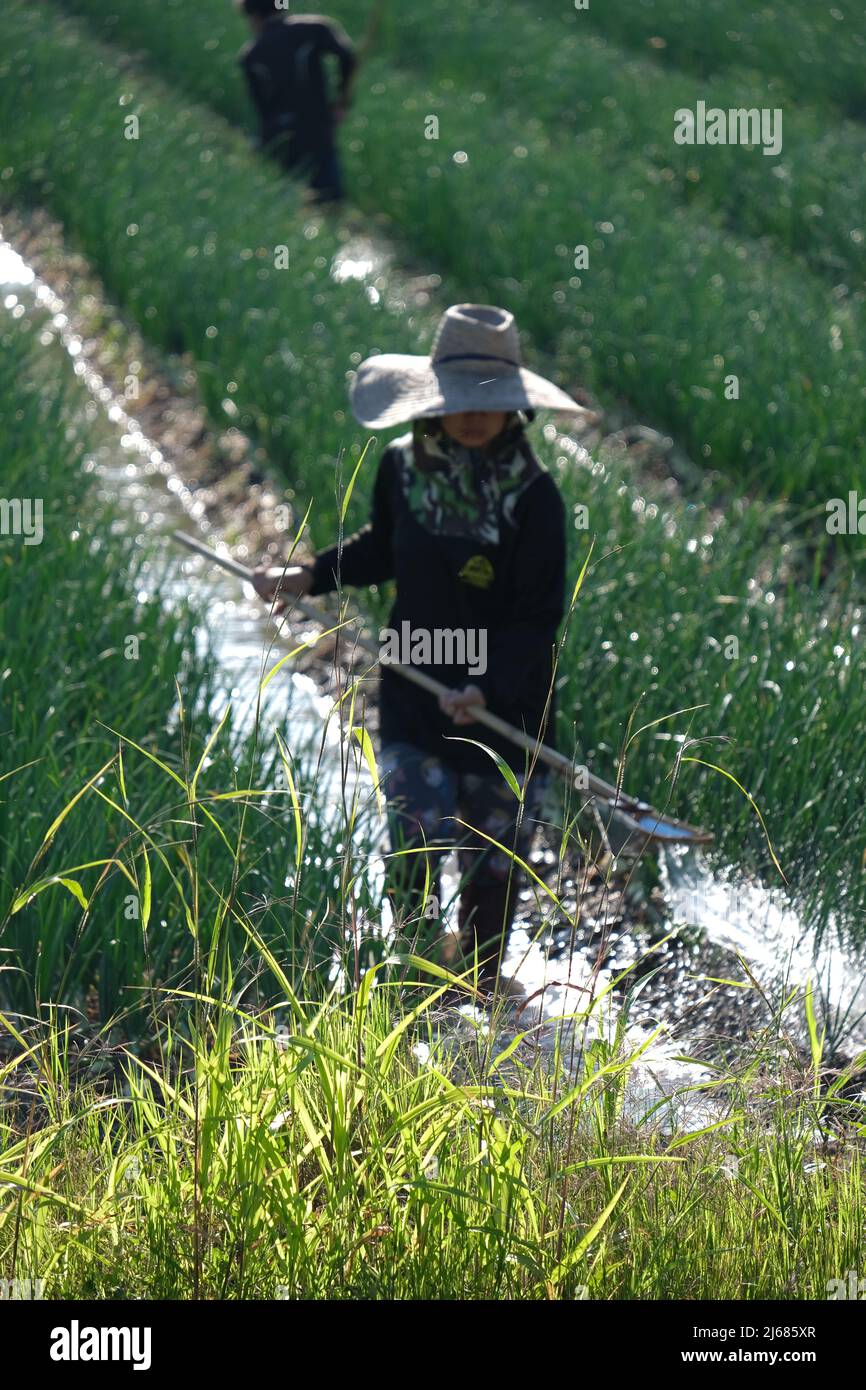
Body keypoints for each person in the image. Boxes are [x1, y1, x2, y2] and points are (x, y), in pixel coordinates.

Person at [254, 305, 589, 991]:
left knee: (492, 876)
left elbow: (536, 620)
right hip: (414, 686)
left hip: (506, 710)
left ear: (516, 409)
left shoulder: (536, 500)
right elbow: (383, 547)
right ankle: (411, 997)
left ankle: (486, 1004)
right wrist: (309, 574)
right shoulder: (403, 470)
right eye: (460, 402)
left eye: (489, 404)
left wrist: (486, 689)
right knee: (412, 834)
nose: (473, 417)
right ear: (434, 401)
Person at [236, 1, 356, 204]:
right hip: (317, 126)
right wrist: (342, 102)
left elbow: (263, 109)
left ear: (254, 16)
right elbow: (348, 57)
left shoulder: (251, 55)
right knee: (329, 197)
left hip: (280, 133)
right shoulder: (315, 28)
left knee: (284, 195)